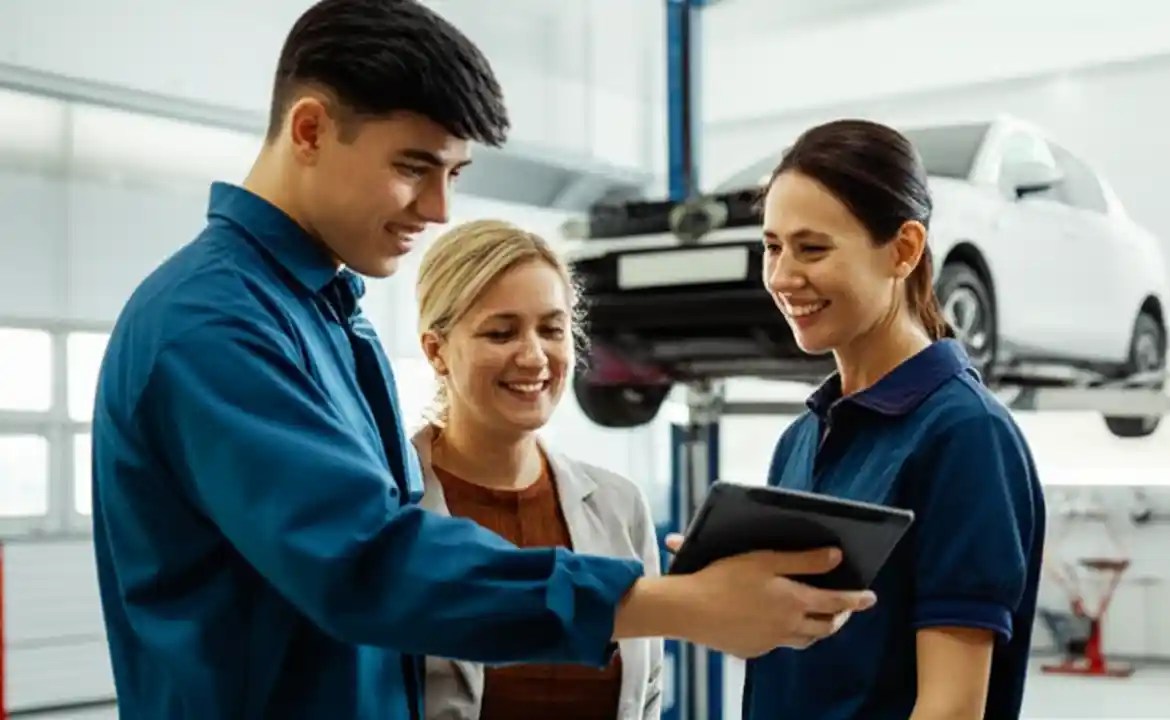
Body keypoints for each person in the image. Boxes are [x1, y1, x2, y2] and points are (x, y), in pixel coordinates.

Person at [88, 2, 878, 719]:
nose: (439, 210)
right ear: (310, 130)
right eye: (412, 168)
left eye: (453, 175)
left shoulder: (319, 310)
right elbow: (369, 563)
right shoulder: (213, 325)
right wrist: (676, 605)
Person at [682, 118, 1047, 720]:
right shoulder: (800, 440)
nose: (782, 276)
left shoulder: (966, 435)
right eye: (772, 247)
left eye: (812, 248)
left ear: (903, 250)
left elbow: (951, 708)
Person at [409, 219, 662, 720]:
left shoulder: (619, 505)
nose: (533, 356)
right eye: (501, 333)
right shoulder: (388, 504)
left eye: (551, 330)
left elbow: (647, 692)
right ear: (437, 351)